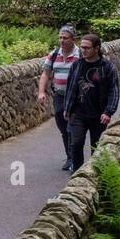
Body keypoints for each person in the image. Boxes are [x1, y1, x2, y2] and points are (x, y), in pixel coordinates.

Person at [64, 32, 120, 171]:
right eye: (82, 47)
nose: (83, 50)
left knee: (96, 147)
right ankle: (77, 173)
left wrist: (108, 112)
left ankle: (94, 174)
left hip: (99, 115)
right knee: (76, 144)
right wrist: (67, 108)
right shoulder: (77, 65)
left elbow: (114, 90)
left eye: (87, 48)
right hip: (78, 113)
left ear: (96, 48)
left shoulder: (107, 67)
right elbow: (70, 87)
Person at [37, 25, 81, 170]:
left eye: (65, 38)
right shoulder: (55, 54)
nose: (61, 40)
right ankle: (70, 157)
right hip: (59, 96)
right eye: (60, 37)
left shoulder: (80, 54)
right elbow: (45, 73)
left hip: (76, 98)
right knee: (63, 127)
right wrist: (41, 92)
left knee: (71, 127)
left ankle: (74, 158)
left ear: (73, 39)